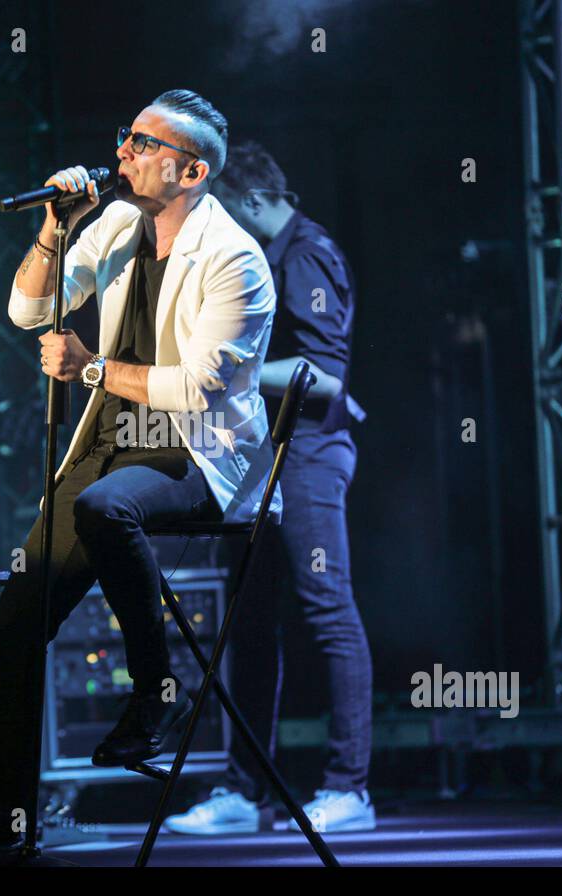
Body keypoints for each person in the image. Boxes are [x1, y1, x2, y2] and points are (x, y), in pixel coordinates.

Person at [0, 91, 281, 865]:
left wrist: (92, 367)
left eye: (143, 142)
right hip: (103, 449)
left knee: (105, 507)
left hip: (197, 454)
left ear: (191, 171)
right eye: (126, 135)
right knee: (12, 630)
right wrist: (53, 228)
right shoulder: (118, 225)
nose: (123, 150)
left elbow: (203, 388)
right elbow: (29, 311)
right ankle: (3, 829)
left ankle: (155, 691)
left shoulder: (235, 258)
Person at [165, 141, 374, 835]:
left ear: (253, 201)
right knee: (249, 621)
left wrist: (227, 370)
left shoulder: (307, 255)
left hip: (307, 454)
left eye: (223, 210)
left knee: (327, 608)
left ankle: (349, 789)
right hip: (261, 457)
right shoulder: (262, 257)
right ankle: (244, 789)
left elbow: (327, 377)